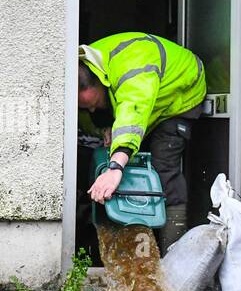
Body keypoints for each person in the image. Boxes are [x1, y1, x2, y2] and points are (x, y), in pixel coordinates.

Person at [78, 32, 207, 251]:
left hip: (179, 96)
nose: (92, 110)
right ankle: (139, 248)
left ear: (101, 82)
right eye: (87, 108)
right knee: (132, 158)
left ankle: (173, 249)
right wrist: (105, 129)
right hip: (145, 96)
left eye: (95, 103)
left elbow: (133, 113)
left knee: (162, 165)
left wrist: (116, 167)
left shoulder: (132, 70)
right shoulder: (92, 65)